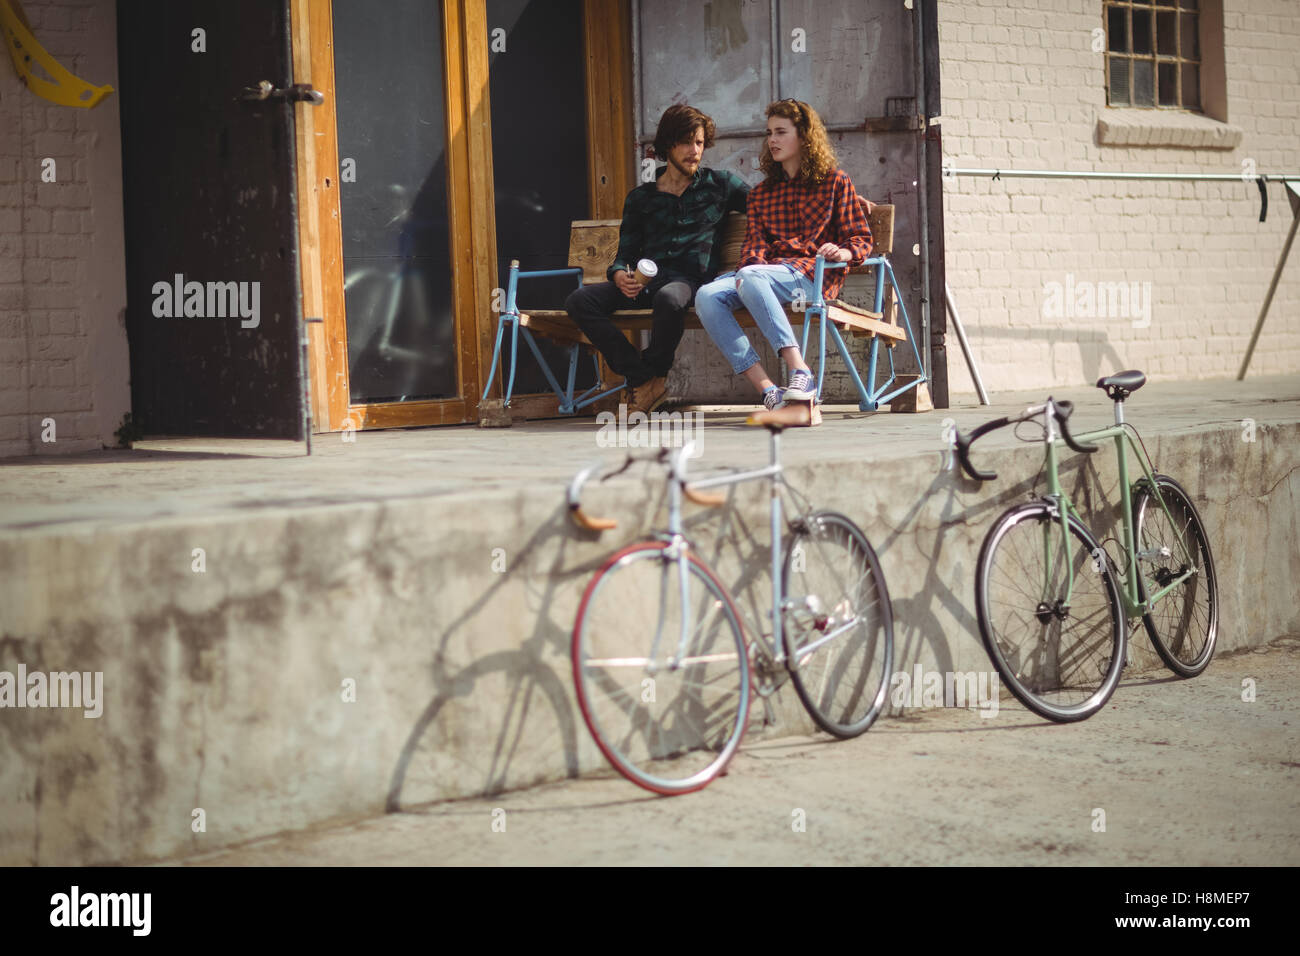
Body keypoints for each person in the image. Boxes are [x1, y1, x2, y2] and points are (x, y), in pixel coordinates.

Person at [694, 98, 873, 427]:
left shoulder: (835, 182)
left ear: (804, 137)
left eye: (780, 132)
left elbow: (860, 238)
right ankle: (769, 391)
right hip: (762, 277)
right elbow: (754, 247)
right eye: (769, 133)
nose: (772, 140)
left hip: (811, 279)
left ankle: (800, 371)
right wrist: (745, 276)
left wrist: (842, 253)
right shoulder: (761, 194)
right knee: (706, 295)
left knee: (750, 276)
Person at [565, 104, 749, 415]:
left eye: (700, 143)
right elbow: (625, 253)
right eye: (686, 142)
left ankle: (652, 377)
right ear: (667, 145)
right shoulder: (641, 198)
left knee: (669, 298)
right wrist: (618, 274)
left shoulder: (720, 185)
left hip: (688, 283)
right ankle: (643, 377)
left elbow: (769, 204)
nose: (694, 151)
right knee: (579, 301)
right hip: (645, 282)